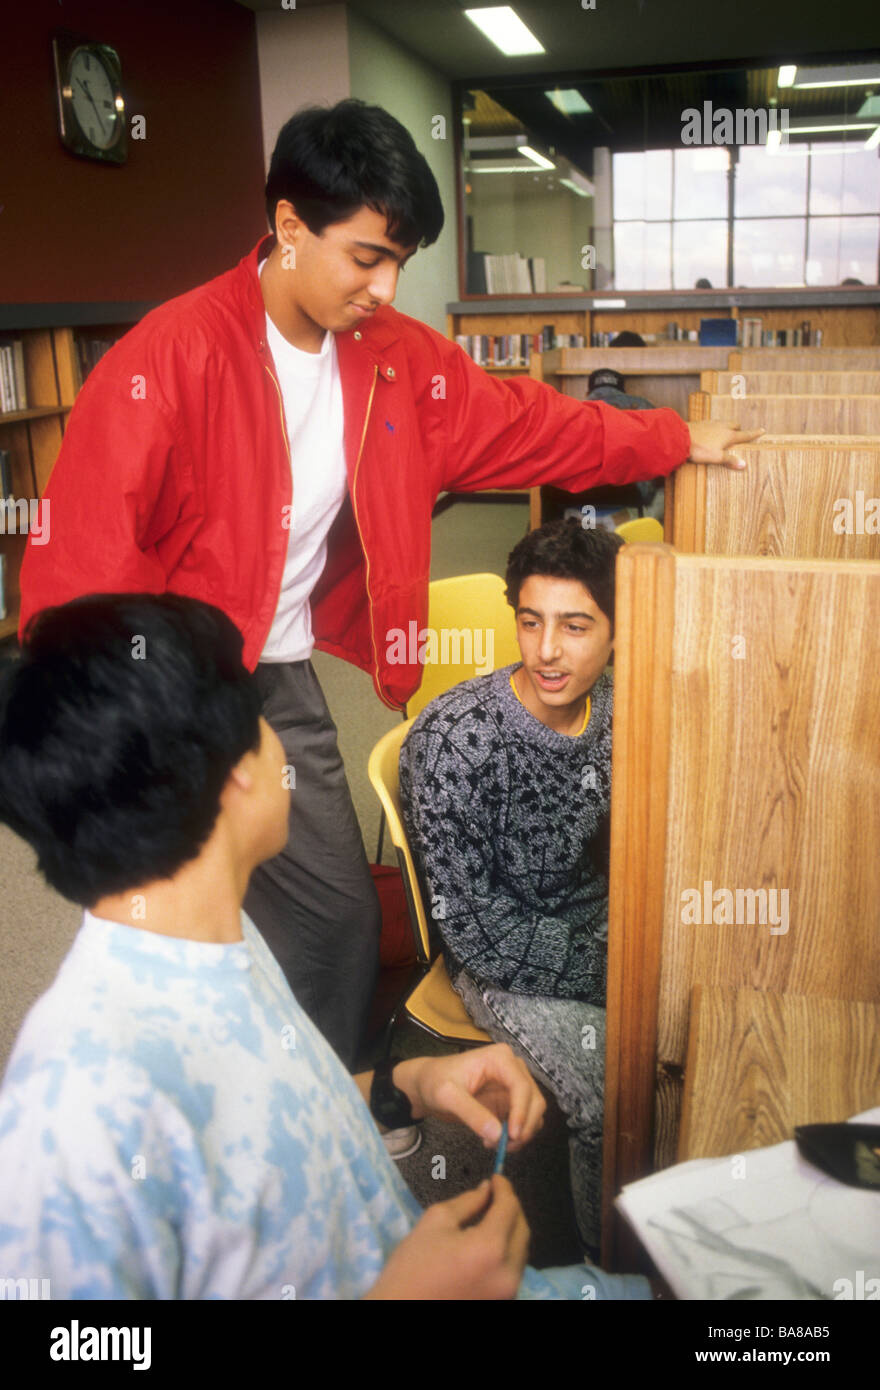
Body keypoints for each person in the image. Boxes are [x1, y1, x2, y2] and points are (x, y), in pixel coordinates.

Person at [18, 99, 761, 1068]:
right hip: (154, 684)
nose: (386, 284)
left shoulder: (393, 360)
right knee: (164, 932)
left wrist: (672, 439)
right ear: (288, 227)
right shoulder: (170, 356)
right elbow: (78, 566)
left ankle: (332, 1106)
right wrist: (122, 737)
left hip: (274, 678)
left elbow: (533, 424)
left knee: (333, 922)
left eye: (398, 259)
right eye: (366, 256)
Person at [0, 592, 650, 1301]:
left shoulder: (213, 934)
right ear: (240, 771)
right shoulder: (71, 1105)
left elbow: (260, 1126)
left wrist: (408, 1088)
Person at [399, 520, 624, 1254]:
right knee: (606, 1093)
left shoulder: (620, 708)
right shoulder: (453, 743)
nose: (548, 650)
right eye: (531, 622)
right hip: (498, 960)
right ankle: (606, 1272)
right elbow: (475, 928)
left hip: (592, 921)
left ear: (619, 632)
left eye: (576, 625)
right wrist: (616, 973)